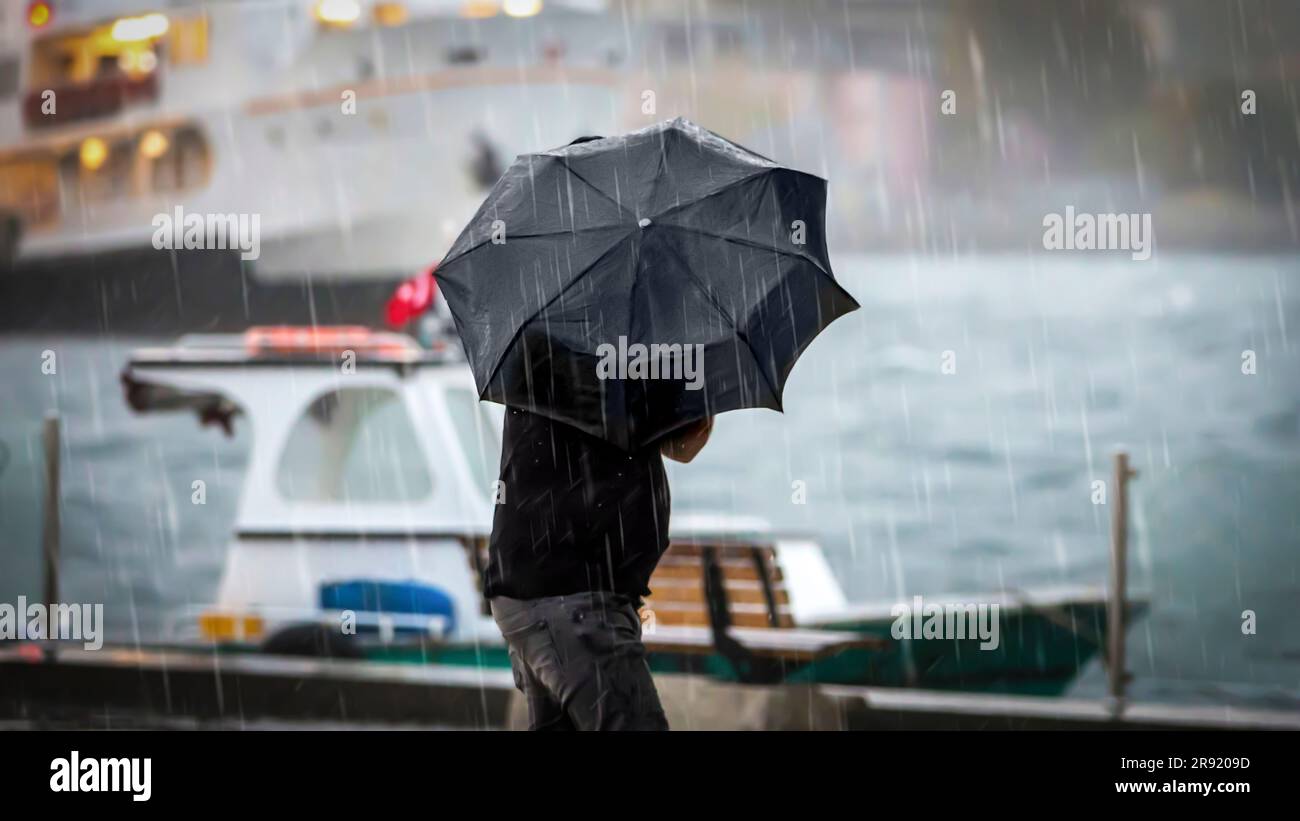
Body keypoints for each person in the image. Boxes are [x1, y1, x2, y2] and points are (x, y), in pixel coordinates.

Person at [486, 406, 714, 731]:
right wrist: (700, 388)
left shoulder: (552, 361)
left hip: (542, 588)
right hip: (573, 597)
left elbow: (680, 443)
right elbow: (684, 442)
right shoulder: (621, 363)